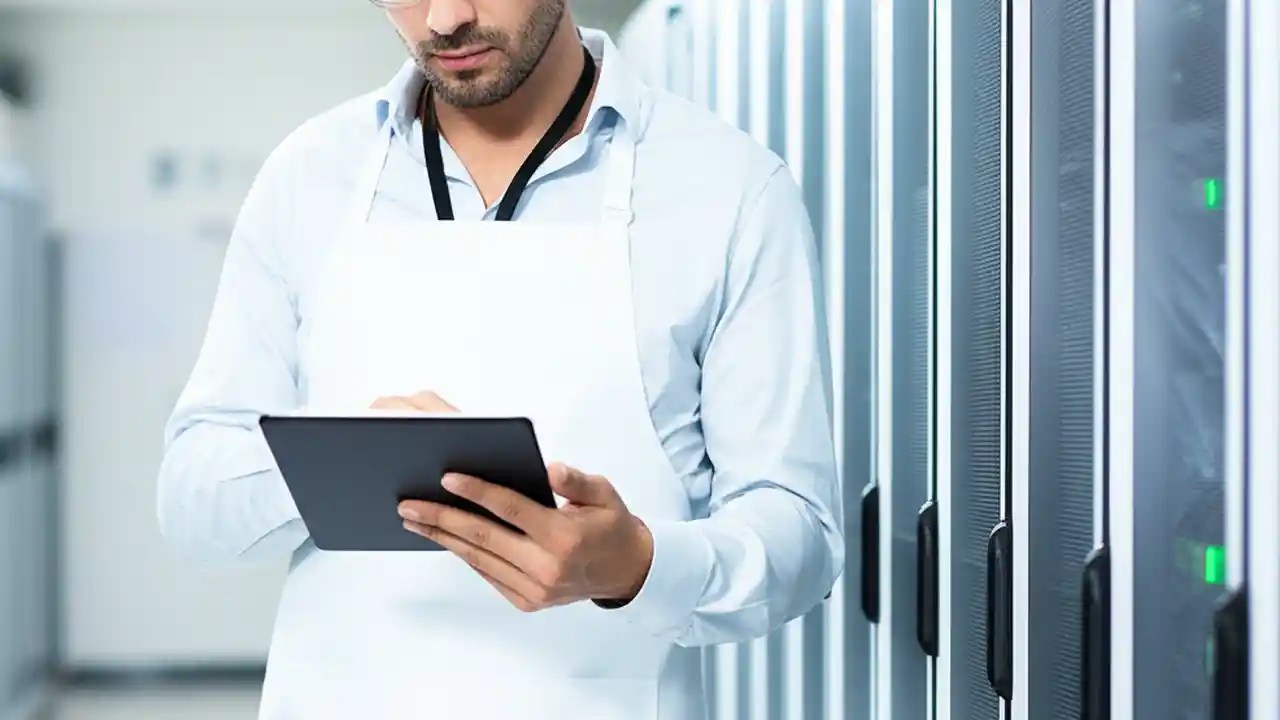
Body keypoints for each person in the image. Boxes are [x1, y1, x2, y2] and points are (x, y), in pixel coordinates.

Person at [157, 1, 843, 717]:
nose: (445, 18)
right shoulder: (306, 177)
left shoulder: (729, 189)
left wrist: (638, 565)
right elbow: (190, 497)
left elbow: (798, 532)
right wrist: (334, 458)